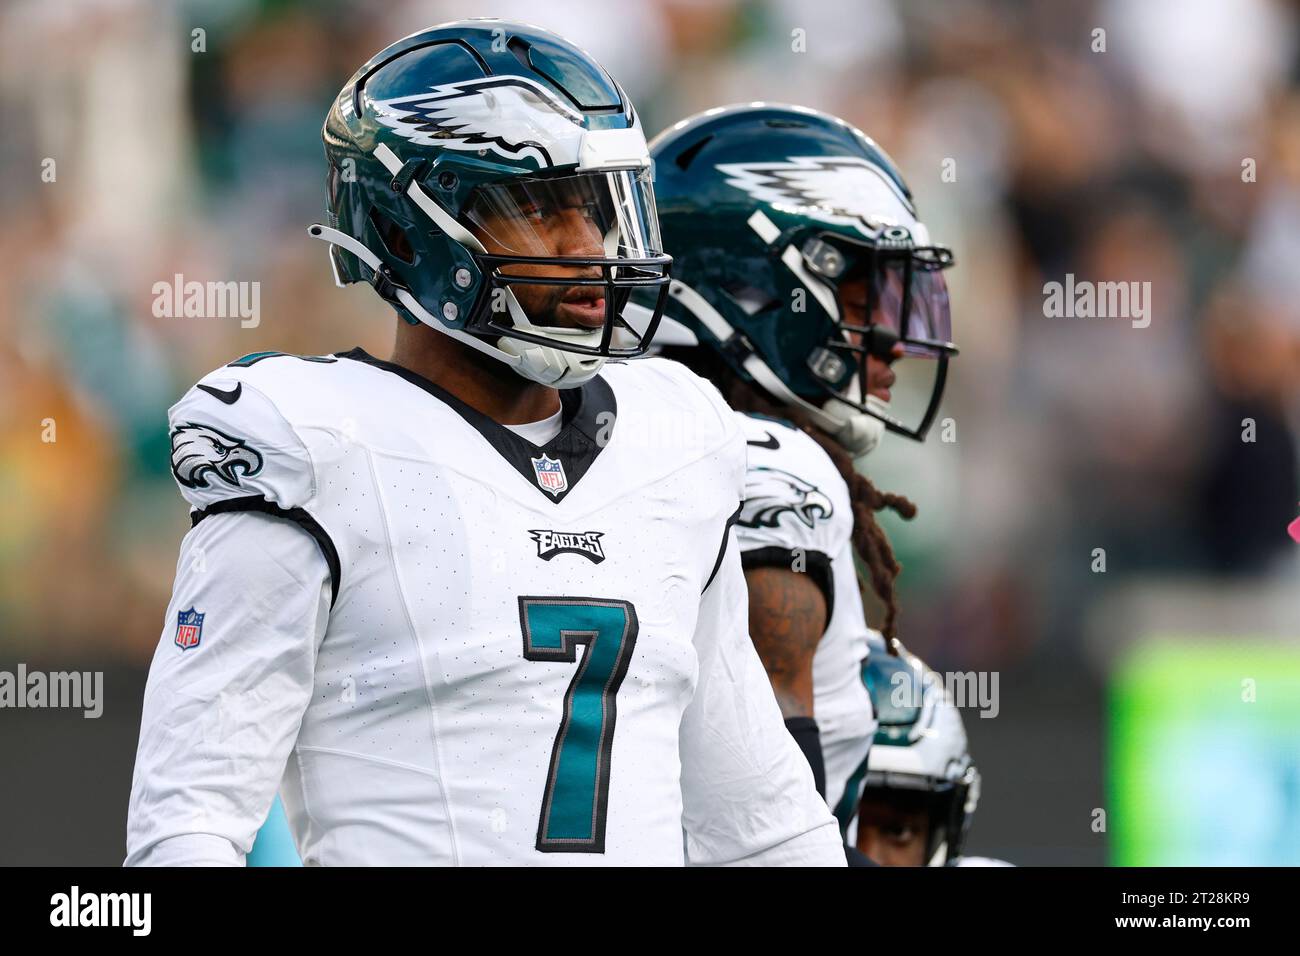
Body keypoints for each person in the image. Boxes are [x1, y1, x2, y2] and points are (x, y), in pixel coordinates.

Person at [125, 21, 842, 867]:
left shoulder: (679, 442)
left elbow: (762, 822)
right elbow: (191, 823)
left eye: (597, 208)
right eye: (540, 209)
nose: (587, 248)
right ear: (406, 229)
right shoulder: (314, 446)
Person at [647, 103, 957, 861]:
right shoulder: (766, 466)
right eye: (865, 297)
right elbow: (767, 819)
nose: (894, 341)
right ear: (753, 284)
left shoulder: (649, 447)